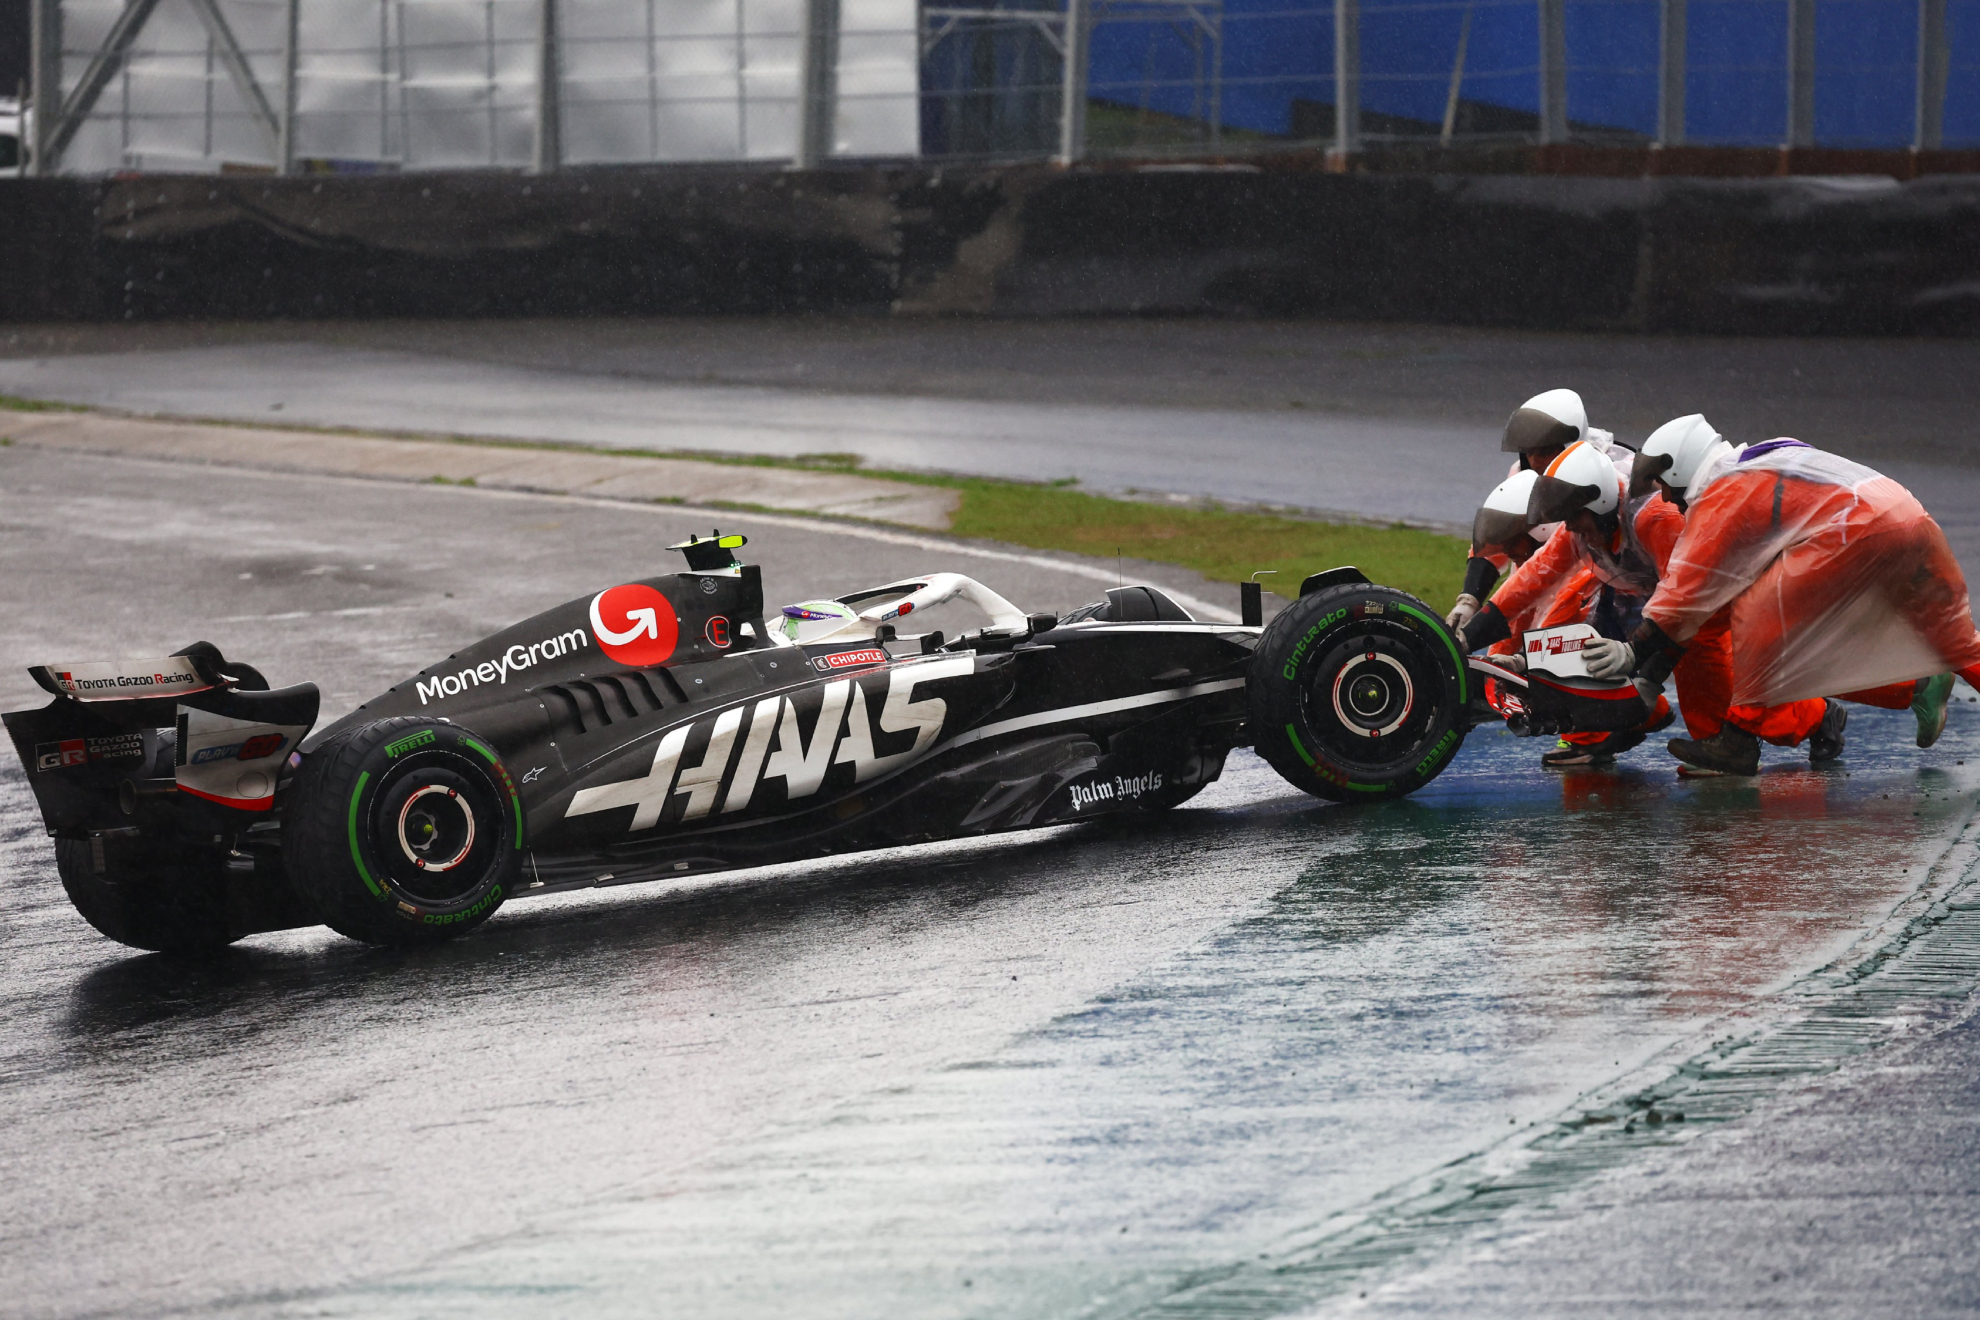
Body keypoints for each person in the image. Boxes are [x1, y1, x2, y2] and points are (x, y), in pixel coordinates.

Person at [1591, 416, 1980, 775]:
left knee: (1755, 613)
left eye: (1664, 485)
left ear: (1680, 468)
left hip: (1856, 530)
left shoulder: (1722, 490)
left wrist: (1633, 652)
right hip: (1907, 515)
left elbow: (1686, 589)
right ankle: (1924, 684)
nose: (1666, 498)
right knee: (1959, 643)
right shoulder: (1765, 455)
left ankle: (1738, 740)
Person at [1458, 439, 1690, 767]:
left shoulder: (1655, 519)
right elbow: (1528, 583)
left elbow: (1688, 602)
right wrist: (1470, 638)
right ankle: (1628, 721)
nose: (1566, 527)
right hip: (1642, 594)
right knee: (1565, 642)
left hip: (1706, 601)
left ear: (1598, 503)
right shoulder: (1578, 518)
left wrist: (1649, 676)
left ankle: (1734, 738)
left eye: (1572, 518)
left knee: (1709, 657)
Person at [1446, 388, 1629, 634]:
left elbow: (1576, 579)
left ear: (1568, 445)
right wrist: (1469, 599)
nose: (1535, 462)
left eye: (1544, 451)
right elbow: (1501, 535)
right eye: (1529, 451)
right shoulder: (1523, 474)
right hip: (1540, 582)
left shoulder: (1609, 476)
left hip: (1613, 590)